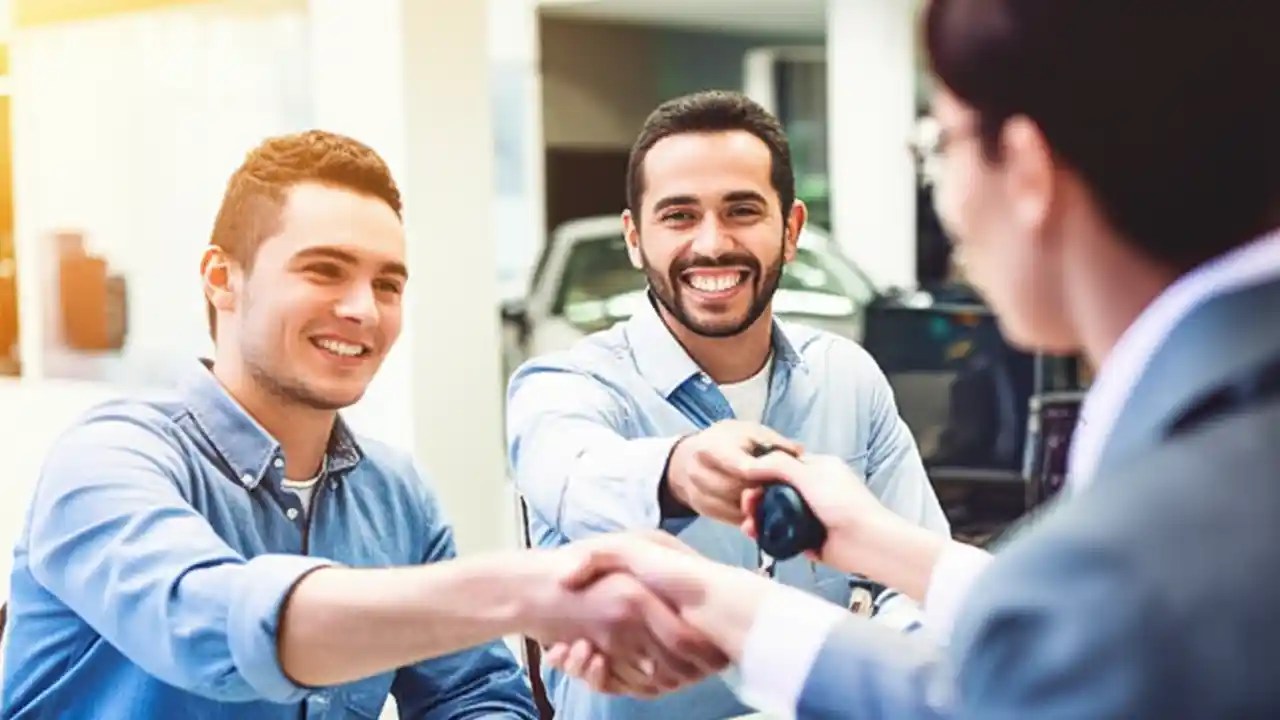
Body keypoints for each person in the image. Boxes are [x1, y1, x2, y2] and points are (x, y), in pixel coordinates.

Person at [543, 0, 1280, 717]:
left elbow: (1034, 668)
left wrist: (732, 612)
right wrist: (884, 547)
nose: (948, 204)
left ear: (1024, 169)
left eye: (938, 147)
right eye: (679, 214)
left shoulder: (1133, 537)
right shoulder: (1212, 464)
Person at [1, 130, 727, 719]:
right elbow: (217, 626)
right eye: (324, 271)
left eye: (387, 283)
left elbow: (474, 697)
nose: (363, 309)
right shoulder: (108, 460)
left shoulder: (393, 493)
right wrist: (534, 588)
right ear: (222, 279)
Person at [506, 90, 950, 719]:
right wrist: (678, 471)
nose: (712, 244)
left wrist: (888, 673)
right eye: (679, 216)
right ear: (635, 238)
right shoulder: (562, 384)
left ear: (791, 230)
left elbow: (916, 582)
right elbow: (575, 476)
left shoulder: (847, 377)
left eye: (742, 210)